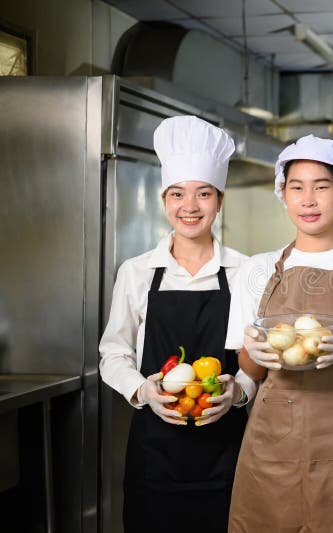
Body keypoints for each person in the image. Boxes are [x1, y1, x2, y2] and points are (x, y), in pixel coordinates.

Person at [226, 134, 333, 532]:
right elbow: (249, 369)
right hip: (271, 448)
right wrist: (254, 350)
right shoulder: (257, 269)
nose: (308, 199)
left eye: (321, 187)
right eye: (296, 187)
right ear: (282, 194)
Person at [99, 115, 256, 532]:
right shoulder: (137, 272)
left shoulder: (245, 272)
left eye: (203, 193)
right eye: (178, 194)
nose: (190, 206)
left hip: (228, 451)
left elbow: (256, 356)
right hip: (156, 453)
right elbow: (113, 352)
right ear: (164, 199)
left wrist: (239, 391)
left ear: (219, 200)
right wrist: (141, 390)